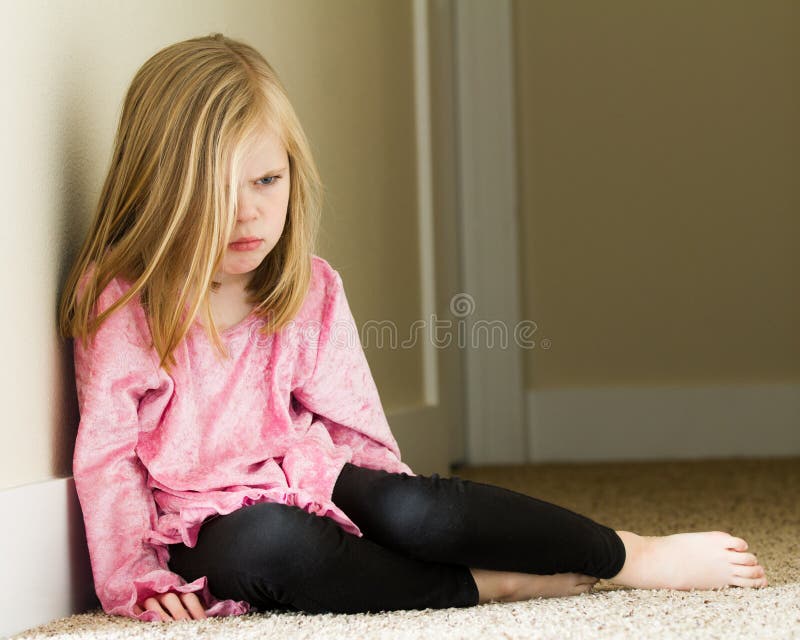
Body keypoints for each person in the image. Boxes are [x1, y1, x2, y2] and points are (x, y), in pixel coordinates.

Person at [57, 33, 768, 624]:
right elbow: (108, 458)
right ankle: (484, 586)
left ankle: (630, 553)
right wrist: (135, 577)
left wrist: (397, 514)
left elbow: (357, 424)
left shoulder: (307, 286)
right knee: (271, 548)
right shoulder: (124, 304)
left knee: (422, 510)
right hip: (200, 524)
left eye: (267, 182)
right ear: (167, 186)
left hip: (311, 472)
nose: (249, 215)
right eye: (221, 190)